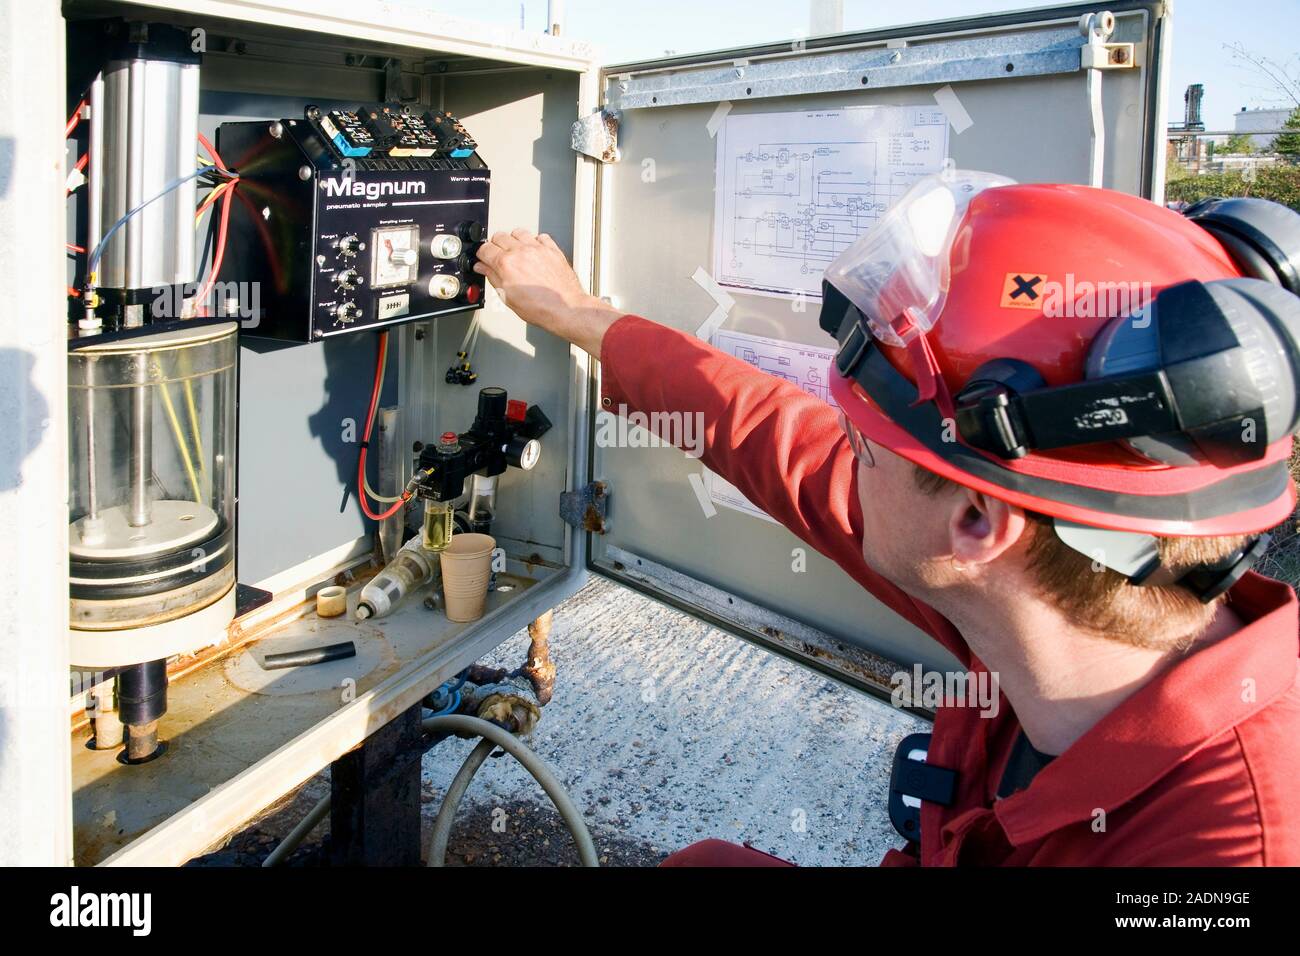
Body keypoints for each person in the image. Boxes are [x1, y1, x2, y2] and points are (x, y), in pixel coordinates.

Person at [473, 174, 1300, 866]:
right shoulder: (1061, 593)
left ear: (977, 523)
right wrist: (578, 315)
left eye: (865, 445)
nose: (844, 458)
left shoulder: (1228, 853)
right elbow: (772, 440)